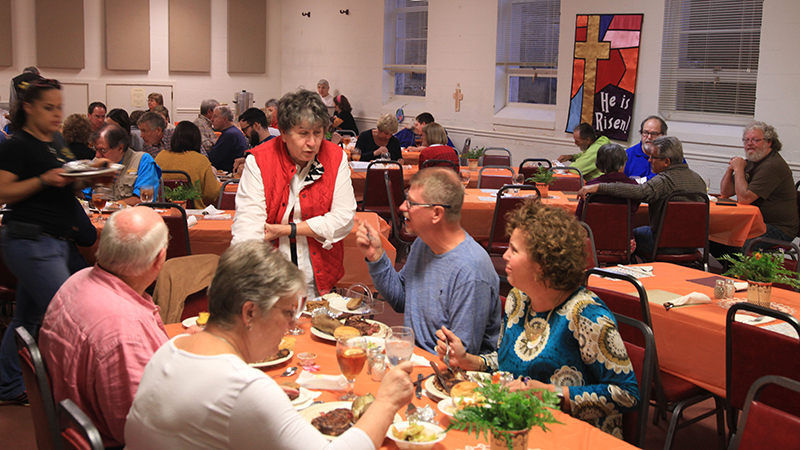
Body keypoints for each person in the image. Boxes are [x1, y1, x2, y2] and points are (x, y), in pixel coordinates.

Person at [125, 241, 415, 450]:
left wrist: (256, 398)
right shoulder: (245, 390)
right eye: (287, 313)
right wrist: (386, 403)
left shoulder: (172, 348)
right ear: (250, 312)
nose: (291, 326)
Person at [434, 200, 640, 437]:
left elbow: (627, 394)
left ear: (542, 264)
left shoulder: (586, 315)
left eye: (514, 249)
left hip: (575, 436)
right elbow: (509, 364)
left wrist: (552, 394)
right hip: (521, 426)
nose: (505, 255)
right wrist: (469, 360)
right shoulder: (518, 300)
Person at [39, 207, 170, 448]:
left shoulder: (76, 280)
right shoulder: (123, 333)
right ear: (159, 258)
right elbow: (138, 433)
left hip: (77, 420)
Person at [0, 78, 94, 406]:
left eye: (60, 108)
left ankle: (9, 385)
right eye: (49, 108)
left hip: (55, 241)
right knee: (69, 315)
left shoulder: (56, 140)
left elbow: (68, 177)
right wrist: (42, 180)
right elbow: (3, 191)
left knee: (26, 318)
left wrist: (93, 174)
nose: (57, 115)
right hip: (30, 241)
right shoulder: (17, 145)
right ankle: (77, 392)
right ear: (28, 108)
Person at [356, 168, 501, 354]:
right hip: (414, 358)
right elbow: (401, 299)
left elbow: (460, 356)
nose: (401, 207)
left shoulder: (470, 271)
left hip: (444, 374)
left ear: (436, 213)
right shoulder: (422, 244)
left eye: (411, 202)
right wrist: (376, 257)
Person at [231, 89, 356, 296]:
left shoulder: (336, 157)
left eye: (318, 133)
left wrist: (288, 229)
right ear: (284, 133)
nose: (312, 143)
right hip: (270, 277)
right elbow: (248, 226)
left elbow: (343, 219)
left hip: (318, 275)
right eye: (303, 133)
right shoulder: (259, 161)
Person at [577, 136, 706, 257]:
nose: (649, 160)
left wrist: (600, 187)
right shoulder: (698, 179)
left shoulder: (664, 181)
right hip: (693, 245)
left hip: (663, 245)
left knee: (630, 234)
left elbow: (639, 191)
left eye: (653, 157)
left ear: (666, 162)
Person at [716, 121, 799, 254]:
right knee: (714, 236)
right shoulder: (752, 161)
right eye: (746, 140)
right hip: (754, 222)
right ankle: (734, 270)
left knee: (739, 244)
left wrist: (738, 169)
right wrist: (730, 169)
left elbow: (744, 199)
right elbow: (725, 193)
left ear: (769, 142)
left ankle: (740, 273)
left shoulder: (772, 165)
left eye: (755, 140)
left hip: (779, 227)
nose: (749, 144)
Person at [89, 124, 161, 205]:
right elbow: (84, 195)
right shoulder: (97, 162)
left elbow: (143, 200)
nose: (97, 155)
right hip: (99, 216)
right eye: (96, 149)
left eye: (102, 150)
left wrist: (115, 205)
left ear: (120, 148)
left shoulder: (143, 161)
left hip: (134, 216)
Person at [156, 121, 221, 209]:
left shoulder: (160, 157)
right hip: (195, 212)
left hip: (164, 211)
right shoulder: (200, 160)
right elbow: (212, 194)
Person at [575, 143, 640, 219]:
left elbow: (578, 216)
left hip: (592, 230)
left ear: (598, 165)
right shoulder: (634, 187)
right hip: (624, 230)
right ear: (624, 164)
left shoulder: (589, 187)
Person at [624, 116, 668, 181]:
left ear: (663, 135)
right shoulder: (628, 155)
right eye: (645, 133)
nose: (649, 137)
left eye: (654, 134)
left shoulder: (671, 155)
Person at [208, 105, 247, 173]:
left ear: (225, 119)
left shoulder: (229, 134)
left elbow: (214, 158)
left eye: (215, 116)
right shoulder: (234, 132)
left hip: (227, 174)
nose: (212, 120)